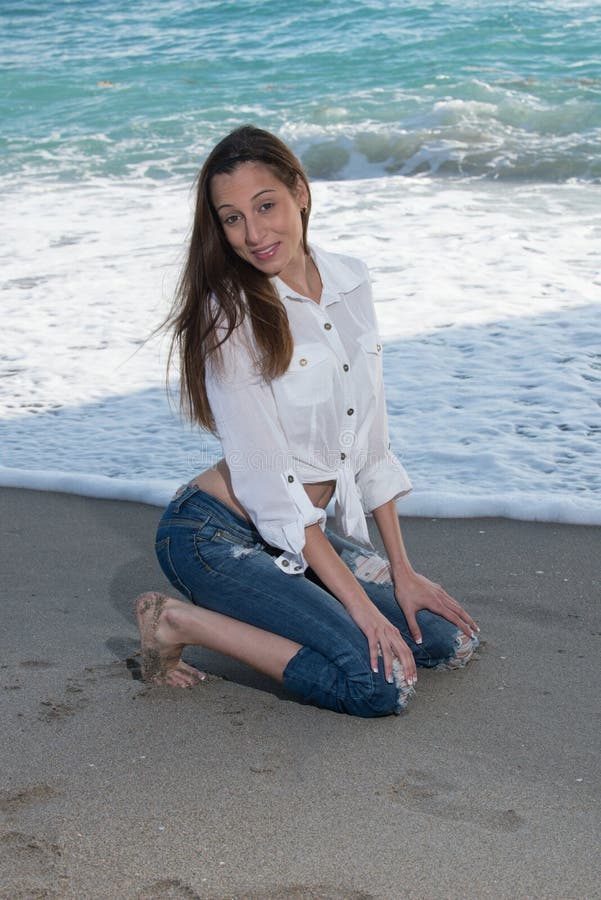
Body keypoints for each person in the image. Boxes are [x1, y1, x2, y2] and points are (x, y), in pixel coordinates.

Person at [134, 125, 479, 717]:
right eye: (232, 218)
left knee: (445, 644)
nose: (254, 232)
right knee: (379, 686)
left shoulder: (351, 280)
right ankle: (178, 622)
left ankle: (302, 609)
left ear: (300, 192)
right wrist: (362, 610)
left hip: (301, 535)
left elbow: (369, 442)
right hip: (215, 536)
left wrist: (403, 572)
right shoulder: (231, 319)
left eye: (265, 205)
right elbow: (271, 489)